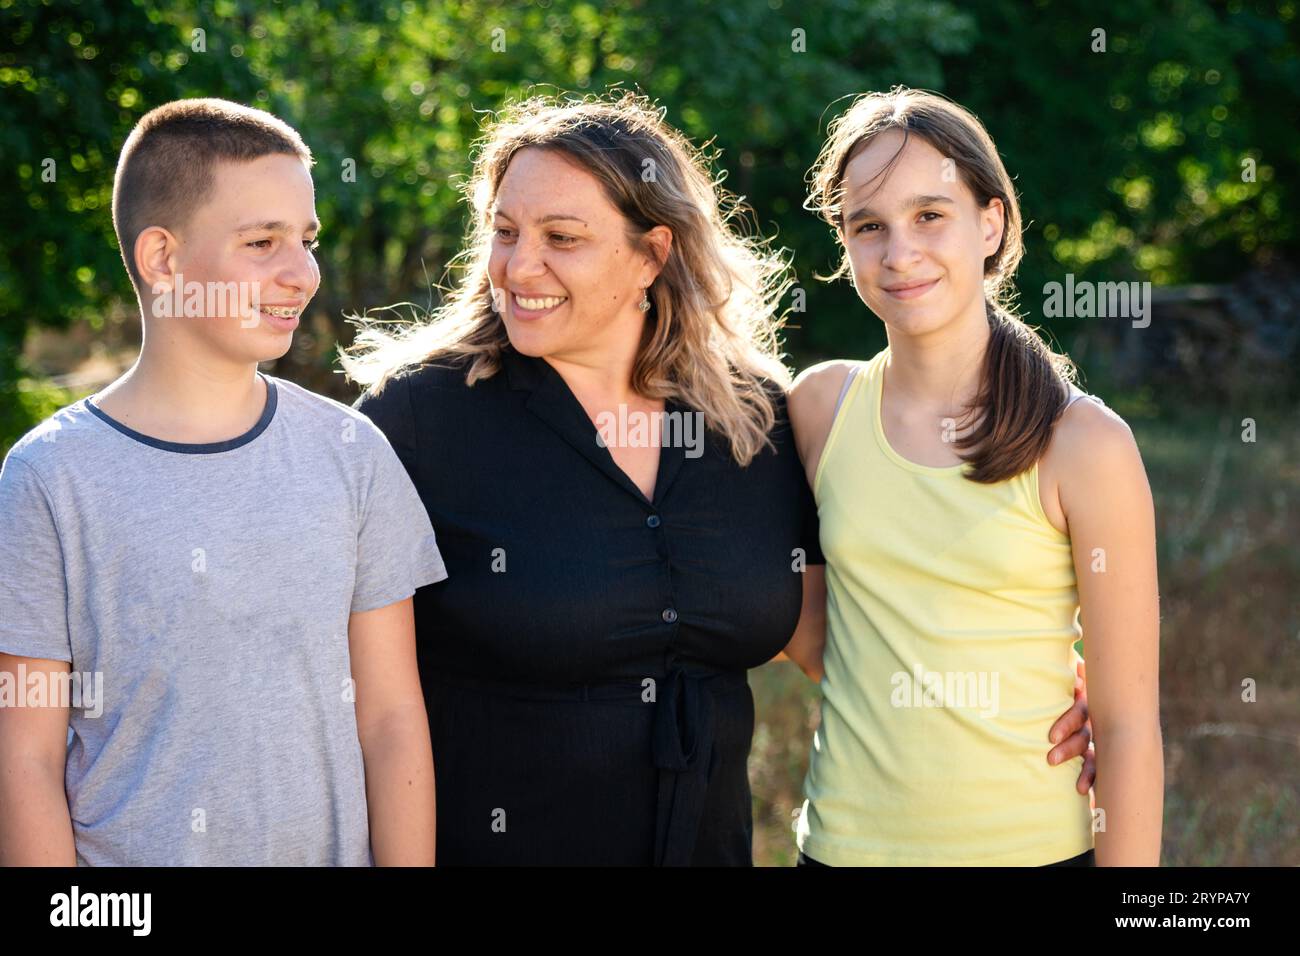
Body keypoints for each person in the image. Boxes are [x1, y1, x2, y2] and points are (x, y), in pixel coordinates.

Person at [344, 91, 1096, 865]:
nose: (518, 266)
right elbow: (365, 705)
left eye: (560, 237)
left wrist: (1041, 684)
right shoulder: (418, 421)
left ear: (653, 255)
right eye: (504, 232)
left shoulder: (750, 420)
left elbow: (836, 636)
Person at [0, 98, 443, 866]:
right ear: (163, 260)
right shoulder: (48, 477)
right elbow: (25, 757)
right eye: (261, 242)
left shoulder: (352, 454)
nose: (301, 273)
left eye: (306, 240)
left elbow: (392, 717)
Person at [789, 87, 1163, 866]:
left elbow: (1127, 726)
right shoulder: (819, 408)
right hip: (842, 849)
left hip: (1033, 850)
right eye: (869, 226)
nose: (899, 252)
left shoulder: (1084, 443)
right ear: (845, 244)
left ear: (990, 222)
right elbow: (818, 628)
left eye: (930, 215)